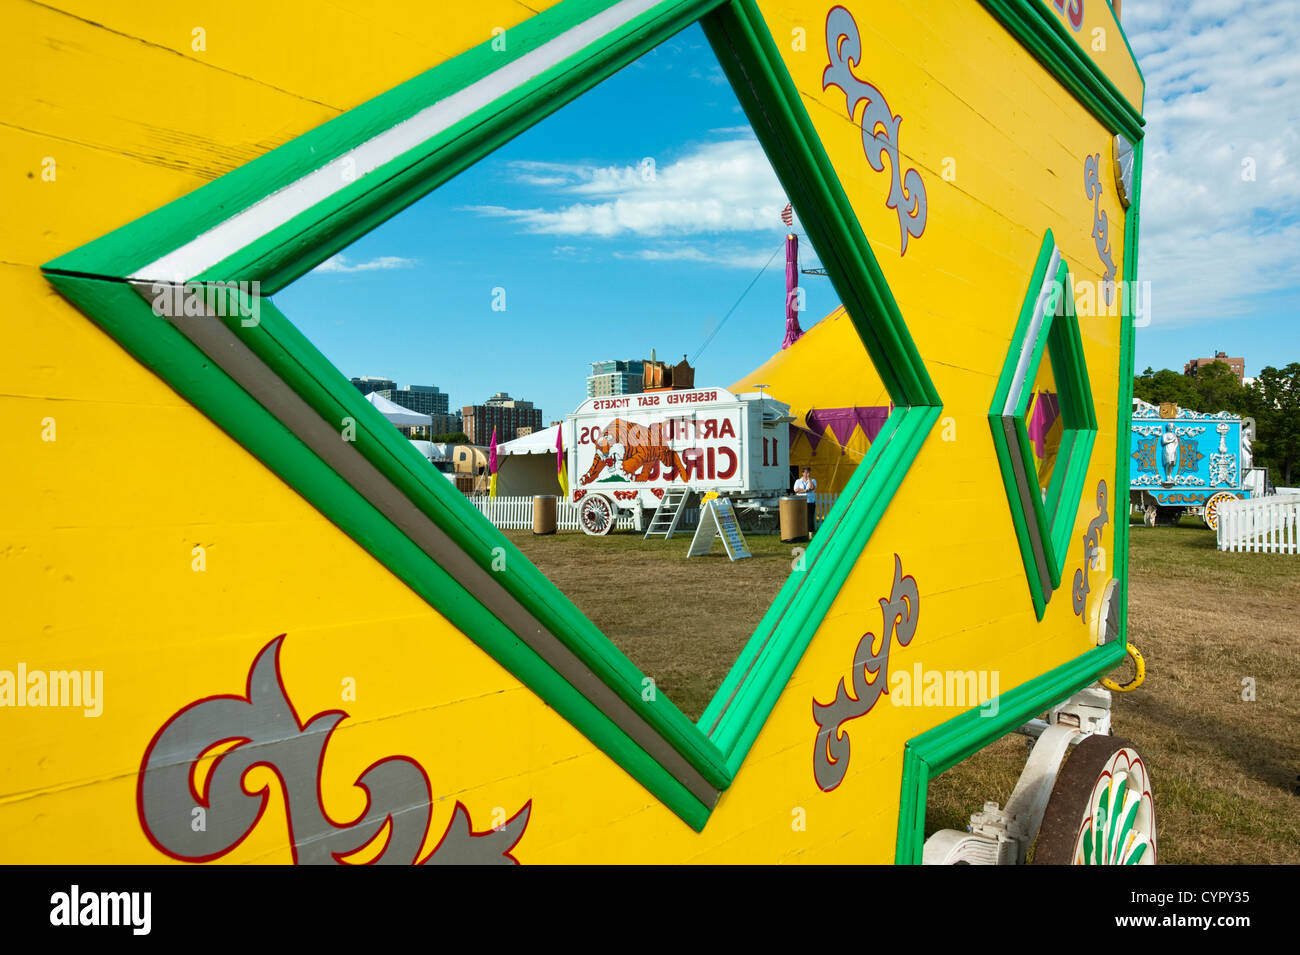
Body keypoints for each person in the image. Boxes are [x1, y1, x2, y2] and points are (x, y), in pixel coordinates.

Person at [793, 467, 818, 536]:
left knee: (810, 518)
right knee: (800, 517)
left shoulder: (813, 480)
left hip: (810, 501)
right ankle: (801, 533)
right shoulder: (798, 481)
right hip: (800, 501)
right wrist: (805, 490)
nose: (807, 474)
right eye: (806, 472)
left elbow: (812, 488)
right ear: (803, 473)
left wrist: (809, 479)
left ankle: (810, 534)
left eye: (809, 472)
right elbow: (796, 490)